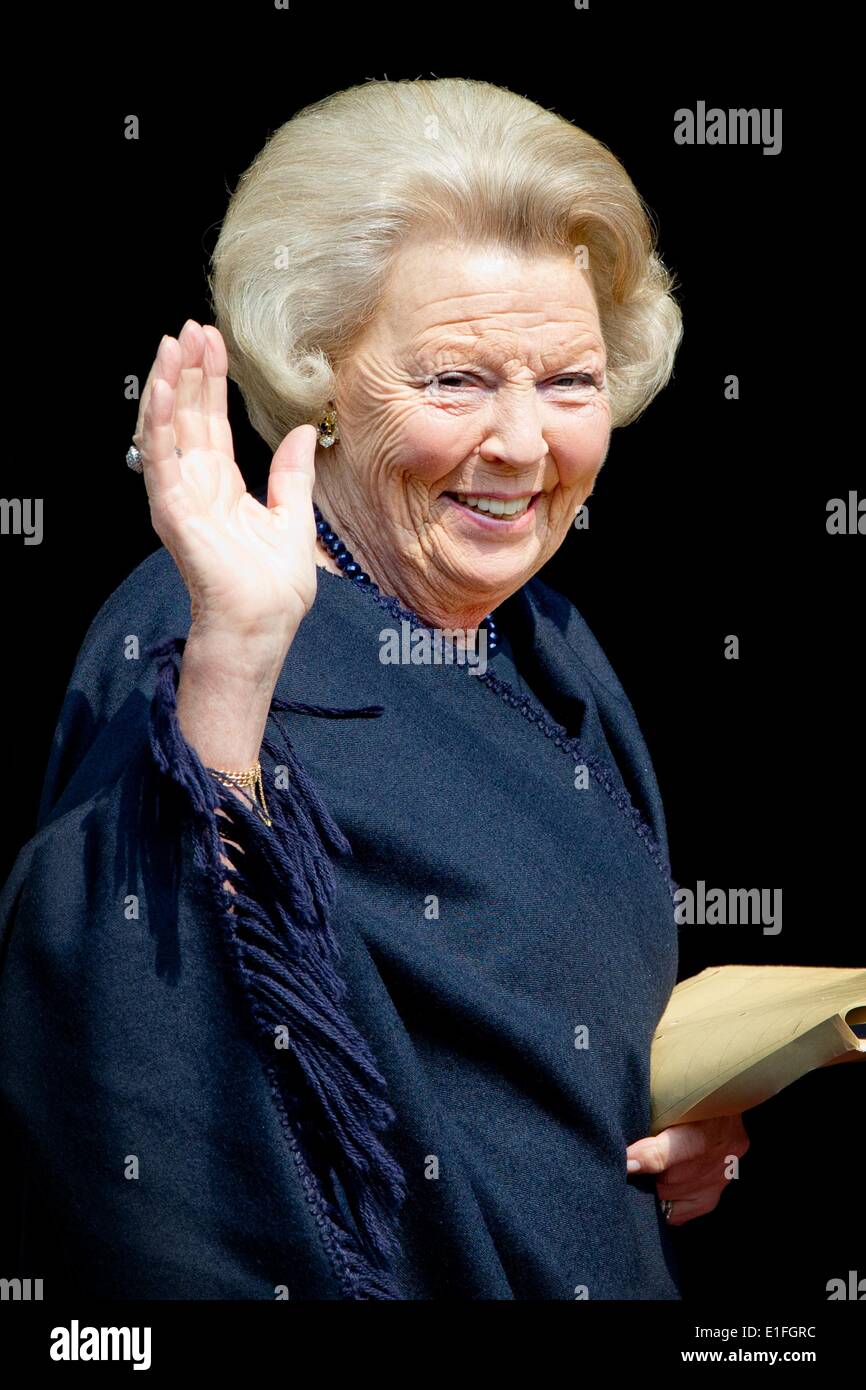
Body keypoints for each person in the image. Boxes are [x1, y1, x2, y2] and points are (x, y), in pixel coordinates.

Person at [0, 77, 748, 1300]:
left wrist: (667, 1123)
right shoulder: (197, 629)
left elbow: (527, 1035)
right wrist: (233, 669)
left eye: (566, 382)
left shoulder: (549, 639)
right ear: (317, 378)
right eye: (453, 381)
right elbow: (121, 1065)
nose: (519, 444)